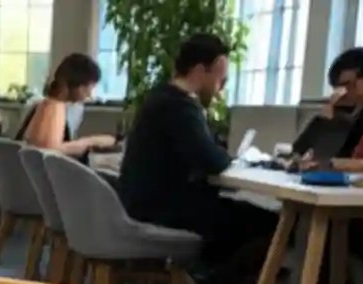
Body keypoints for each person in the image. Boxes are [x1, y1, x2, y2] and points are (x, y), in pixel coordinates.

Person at [119, 33, 234, 238]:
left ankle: (200, 270)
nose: (220, 91)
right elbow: (212, 160)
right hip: (160, 217)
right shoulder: (180, 107)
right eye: (220, 81)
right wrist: (229, 156)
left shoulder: (161, 96)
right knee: (266, 223)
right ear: (199, 72)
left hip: (142, 210)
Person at [19, 52, 116, 157]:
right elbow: (49, 152)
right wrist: (92, 141)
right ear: (77, 84)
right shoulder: (54, 107)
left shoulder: (44, 105)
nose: (89, 94)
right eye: (88, 87)